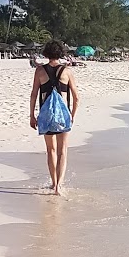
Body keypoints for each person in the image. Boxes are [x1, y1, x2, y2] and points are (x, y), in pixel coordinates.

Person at [30, 41, 80, 195]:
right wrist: (72, 115)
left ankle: (53, 183)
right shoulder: (67, 71)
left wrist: (32, 115)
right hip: (62, 115)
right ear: (61, 54)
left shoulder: (39, 71)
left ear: (46, 54)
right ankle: (60, 184)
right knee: (62, 150)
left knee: (50, 150)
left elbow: (33, 94)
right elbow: (76, 97)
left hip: (46, 115)